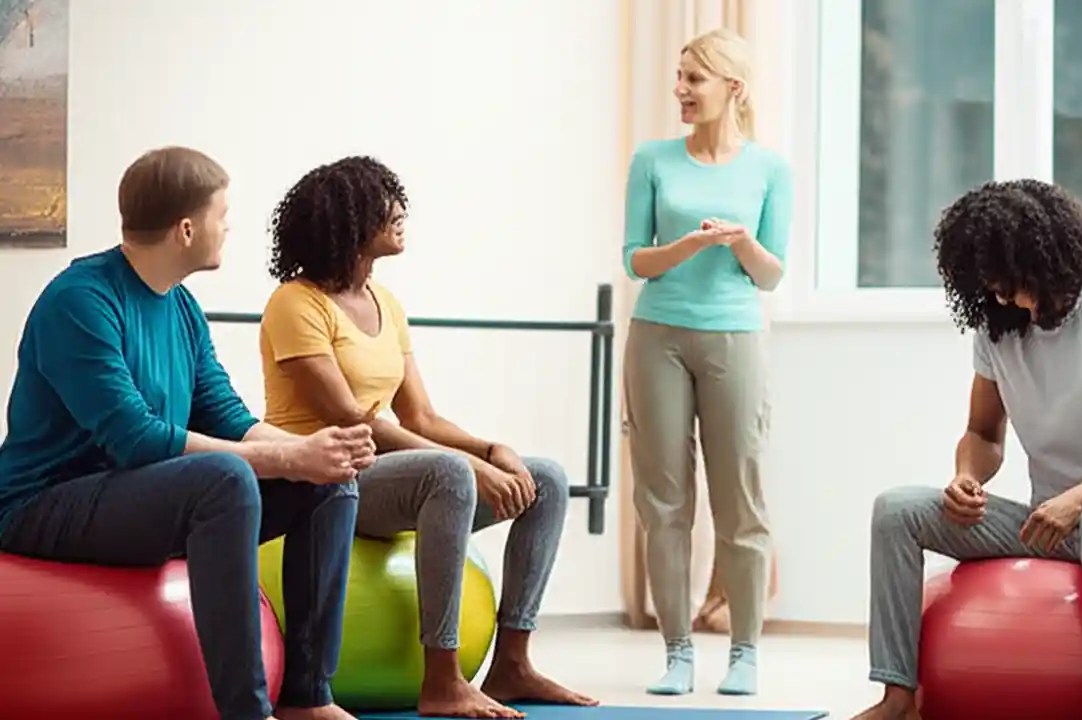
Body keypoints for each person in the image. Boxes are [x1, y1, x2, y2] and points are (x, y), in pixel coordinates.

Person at [0, 146, 372, 720]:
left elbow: (226, 415)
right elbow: (137, 439)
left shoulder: (182, 308)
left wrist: (315, 455)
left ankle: (307, 697)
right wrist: (290, 456)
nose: (229, 227)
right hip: (44, 502)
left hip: (135, 494)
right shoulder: (78, 302)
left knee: (329, 484)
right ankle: (247, 713)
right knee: (224, 479)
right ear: (187, 228)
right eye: (222, 215)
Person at [257, 156, 598, 719]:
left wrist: (492, 452)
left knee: (544, 479)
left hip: (387, 473)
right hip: (327, 479)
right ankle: (442, 681)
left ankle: (512, 663)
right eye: (383, 201)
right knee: (448, 473)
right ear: (345, 220)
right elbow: (354, 419)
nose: (399, 212)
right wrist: (468, 466)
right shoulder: (295, 304)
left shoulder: (385, 304)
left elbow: (419, 416)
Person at [852, 179, 1082, 720]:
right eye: (991, 285)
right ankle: (898, 701)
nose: (1003, 297)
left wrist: (1078, 499)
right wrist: (967, 475)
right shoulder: (997, 333)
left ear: (1047, 259)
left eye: (1011, 282)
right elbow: (984, 435)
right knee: (897, 510)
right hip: (1047, 525)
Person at [621, 27, 793, 697]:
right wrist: (686, 247)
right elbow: (635, 257)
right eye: (679, 76)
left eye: (694, 79)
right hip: (657, 334)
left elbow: (772, 274)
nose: (681, 90)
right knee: (663, 503)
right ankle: (678, 652)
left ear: (733, 88)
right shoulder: (653, 160)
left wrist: (744, 243)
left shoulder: (770, 169)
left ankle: (745, 651)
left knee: (741, 501)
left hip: (734, 339)